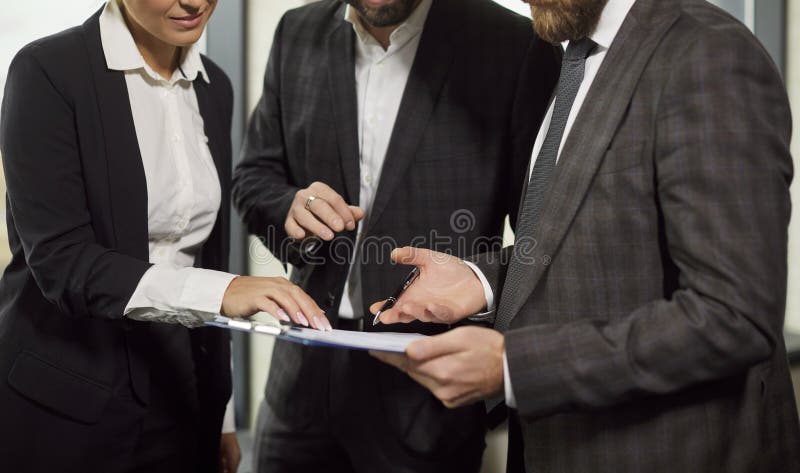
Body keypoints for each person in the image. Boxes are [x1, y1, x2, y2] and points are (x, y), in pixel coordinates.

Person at [370, 0, 800, 472]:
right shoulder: (577, 57)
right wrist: (480, 278)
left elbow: (733, 317)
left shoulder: (708, 54)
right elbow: (605, 241)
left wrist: (515, 368)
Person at [232, 0, 558, 471]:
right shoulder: (295, 31)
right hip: (299, 383)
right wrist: (287, 209)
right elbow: (253, 177)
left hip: (427, 393)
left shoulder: (516, 45)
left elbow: (545, 233)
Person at [0, 1, 325, 472]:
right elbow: (61, 262)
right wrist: (225, 290)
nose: (194, 2)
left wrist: (223, 412)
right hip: (67, 403)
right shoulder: (47, 72)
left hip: (181, 396)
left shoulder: (215, 86)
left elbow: (201, 251)